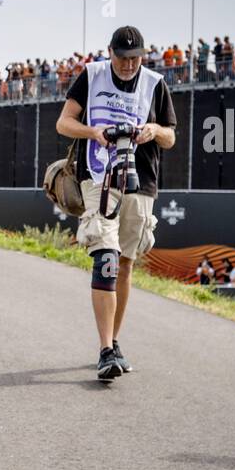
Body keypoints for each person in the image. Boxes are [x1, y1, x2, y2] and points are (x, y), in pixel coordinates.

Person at [56, 25, 176, 381]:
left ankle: (116, 341)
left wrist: (154, 131)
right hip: (99, 177)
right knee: (105, 259)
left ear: (144, 55)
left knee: (125, 263)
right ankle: (105, 348)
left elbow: (171, 136)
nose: (128, 65)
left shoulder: (155, 83)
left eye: (135, 58)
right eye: (122, 59)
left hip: (142, 183)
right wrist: (93, 132)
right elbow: (64, 123)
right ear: (109, 52)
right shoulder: (92, 75)